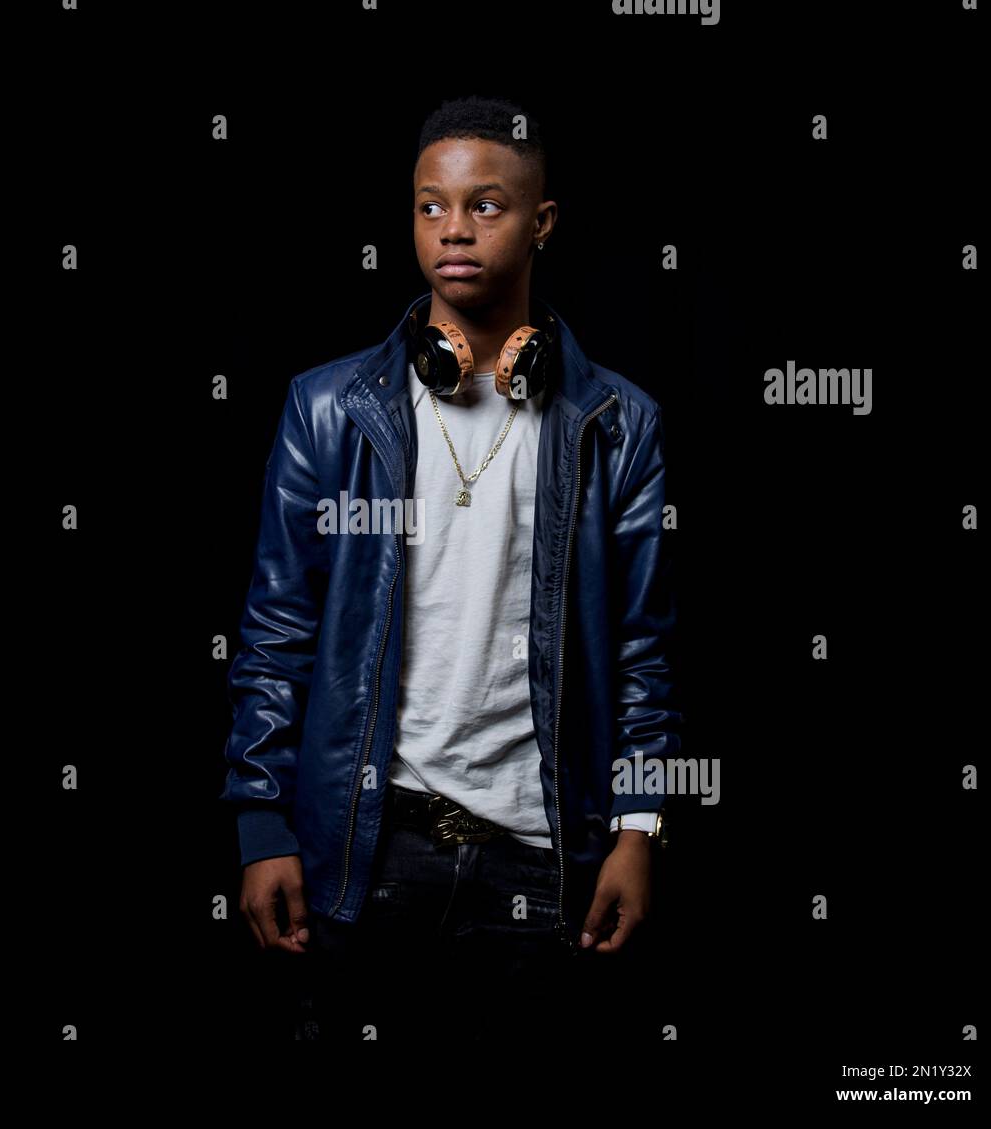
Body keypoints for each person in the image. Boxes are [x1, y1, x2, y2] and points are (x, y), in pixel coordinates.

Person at [219, 94, 682, 1042]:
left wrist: (639, 828)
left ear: (541, 223)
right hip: (363, 847)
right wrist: (261, 821)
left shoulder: (616, 424)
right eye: (431, 206)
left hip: (539, 859)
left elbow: (642, 648)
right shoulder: (328, 408)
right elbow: (276, 631)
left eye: (486, 206)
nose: (453, 231)